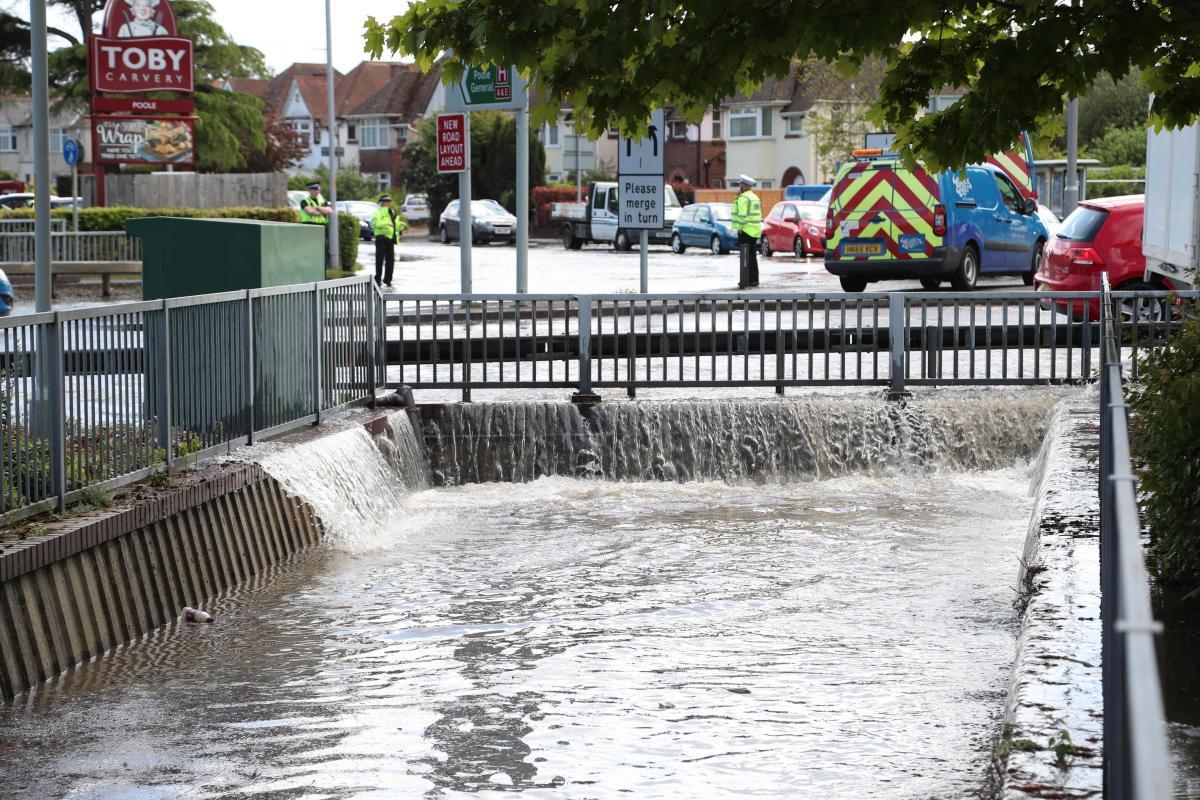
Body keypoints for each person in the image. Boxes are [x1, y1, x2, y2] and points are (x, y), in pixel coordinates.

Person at [731, 174, 763, 288]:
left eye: (741, 184)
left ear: (744, 185)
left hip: (745, 231)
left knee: (745, 256)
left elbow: (742, 216)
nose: (739, 186)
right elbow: (759, 215)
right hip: (755, 231)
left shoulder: (743, 198)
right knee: (752, 256)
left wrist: (739, 228)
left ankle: (745, 280)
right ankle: (754, 279)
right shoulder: (755, 197)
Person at [371, 195, 407, 287]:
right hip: (381, 237)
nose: (387, 203)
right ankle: (377, 279)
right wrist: (387, 223)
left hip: (390, 239)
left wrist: (401, 225)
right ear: (381, 202)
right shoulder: (377, 213)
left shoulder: (392, 212)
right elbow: (375, 224)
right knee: (379, 260)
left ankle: (388, 280)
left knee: (390, 260)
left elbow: (395, 225)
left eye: (388, 201)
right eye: (385, 201)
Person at [298, 181, 334, 269]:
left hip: (322, 227)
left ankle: (322, 268)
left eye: (318, 189)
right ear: (309, 190)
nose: (316, 191)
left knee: (323, 249)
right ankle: (309, 267)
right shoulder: (304, 201)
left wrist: (317, 208)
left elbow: (330, 211)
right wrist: (322, 211)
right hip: (309, 226)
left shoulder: (323, 201)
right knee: (309, 249)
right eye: (314, 189)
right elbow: (311, 212)